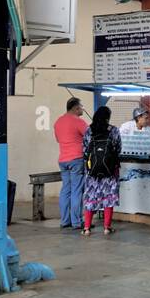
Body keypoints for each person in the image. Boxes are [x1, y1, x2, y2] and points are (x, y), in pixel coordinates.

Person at [82, 106, 122, 236]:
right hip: (110, 171)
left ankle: (87, 228)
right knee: (108, 198)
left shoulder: (89, 130)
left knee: (90, 196)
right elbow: (118, 148)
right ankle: (106, 227)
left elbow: (84, 150)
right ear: (107, 117)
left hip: (92, 172)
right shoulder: (114, 130)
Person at [53, 97, 88, 230]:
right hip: (77, 159)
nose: (82, 109)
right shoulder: (78, 121)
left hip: (63, 160)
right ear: (75, 108)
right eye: (81, 107)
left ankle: (64, 221)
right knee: (77, 190)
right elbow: (89, 137)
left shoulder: (58, 122)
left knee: (65, 190)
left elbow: (58, 139)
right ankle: (77, 222)